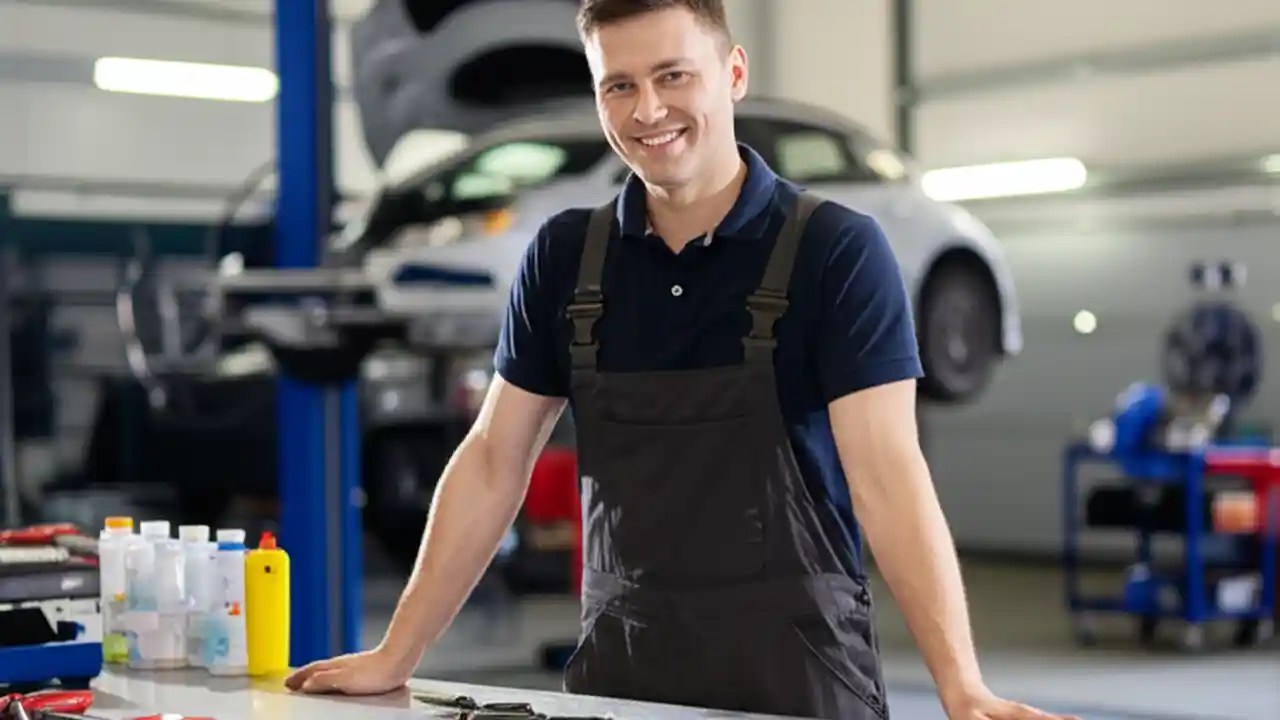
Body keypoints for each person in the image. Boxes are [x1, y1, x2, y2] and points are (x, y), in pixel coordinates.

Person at [286, 1, 1077, 718]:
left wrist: (961, 689)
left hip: (795, 681)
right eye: (618, 86)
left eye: (672, 76)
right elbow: (494, 459)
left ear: (733, 74)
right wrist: (398, 654)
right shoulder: (565, 256)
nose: (648, 110)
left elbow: (888, 475)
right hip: (620, 679)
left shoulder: (835, 251)